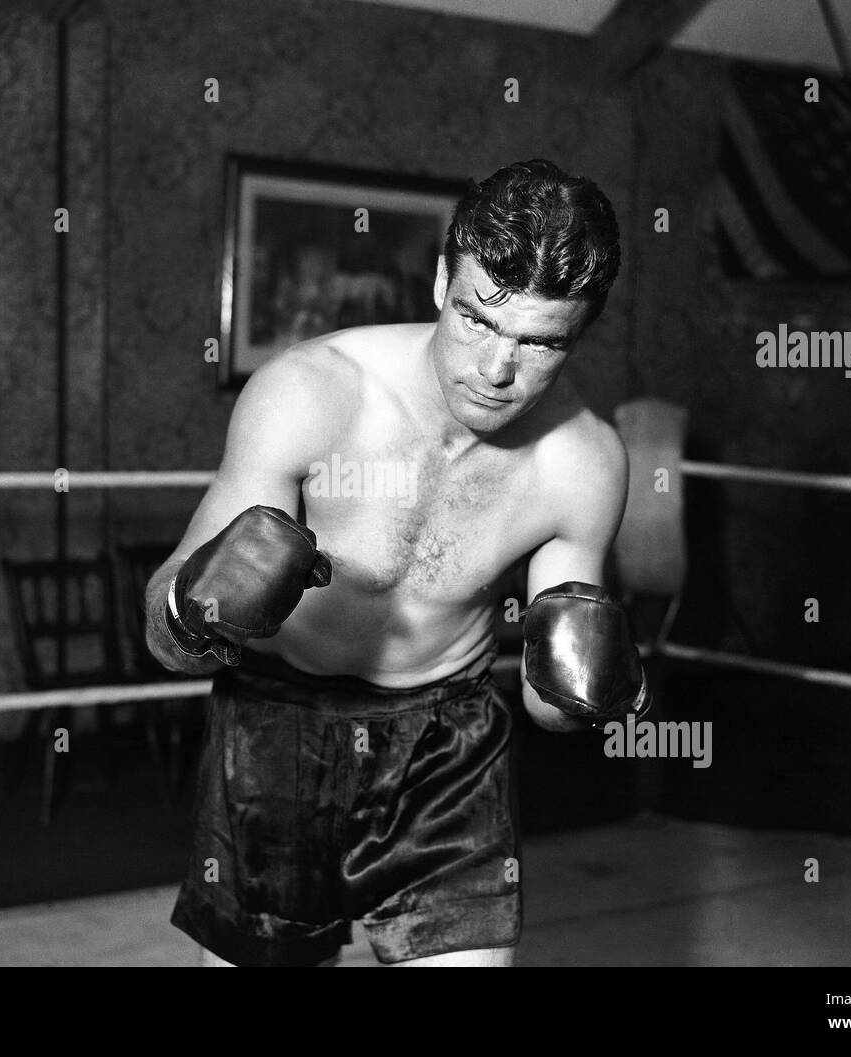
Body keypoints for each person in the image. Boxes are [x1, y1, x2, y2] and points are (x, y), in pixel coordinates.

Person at [145, 159, 649, 967]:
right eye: (478, 321)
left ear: (579, 332)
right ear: (442, 279)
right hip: (276, 722)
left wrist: (591, 694)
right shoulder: (309, 394)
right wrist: (195, 608)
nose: (496, 371)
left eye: (539, 343)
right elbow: (162, 630)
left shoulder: (584, 464)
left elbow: (555, 705)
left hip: (445, 745)